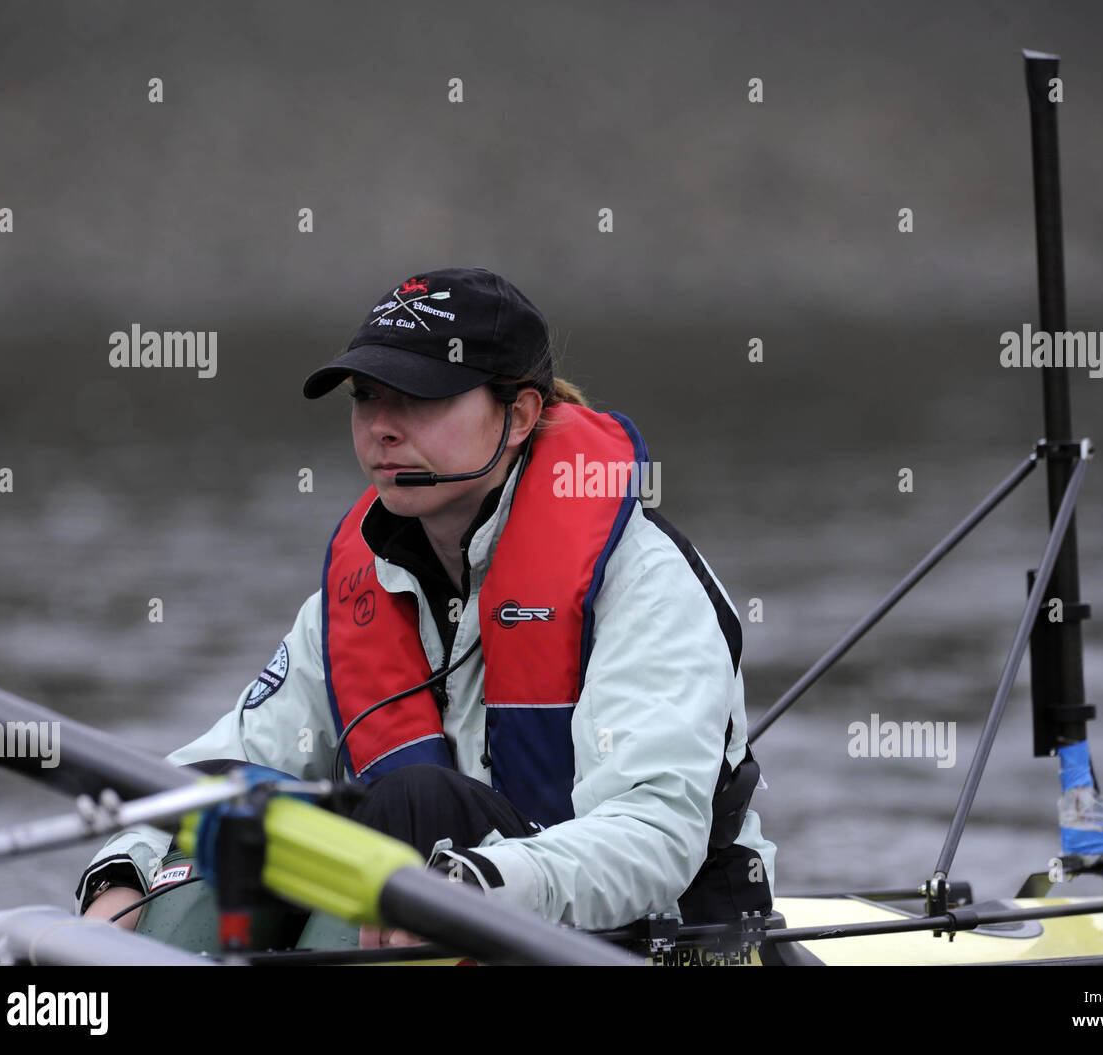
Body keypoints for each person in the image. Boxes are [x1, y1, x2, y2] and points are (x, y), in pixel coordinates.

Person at [77, 266, 775, 946]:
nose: (380, 426)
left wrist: (469, 888)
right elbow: (224, 768)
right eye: (365, 396)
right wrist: (125, 873)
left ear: (520, 415)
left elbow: (653, 833)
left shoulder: (644, 581)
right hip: (430, 920)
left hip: (655, 938)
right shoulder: (352, 598)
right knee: (246, 824)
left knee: (414, 804)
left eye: (418, 396)